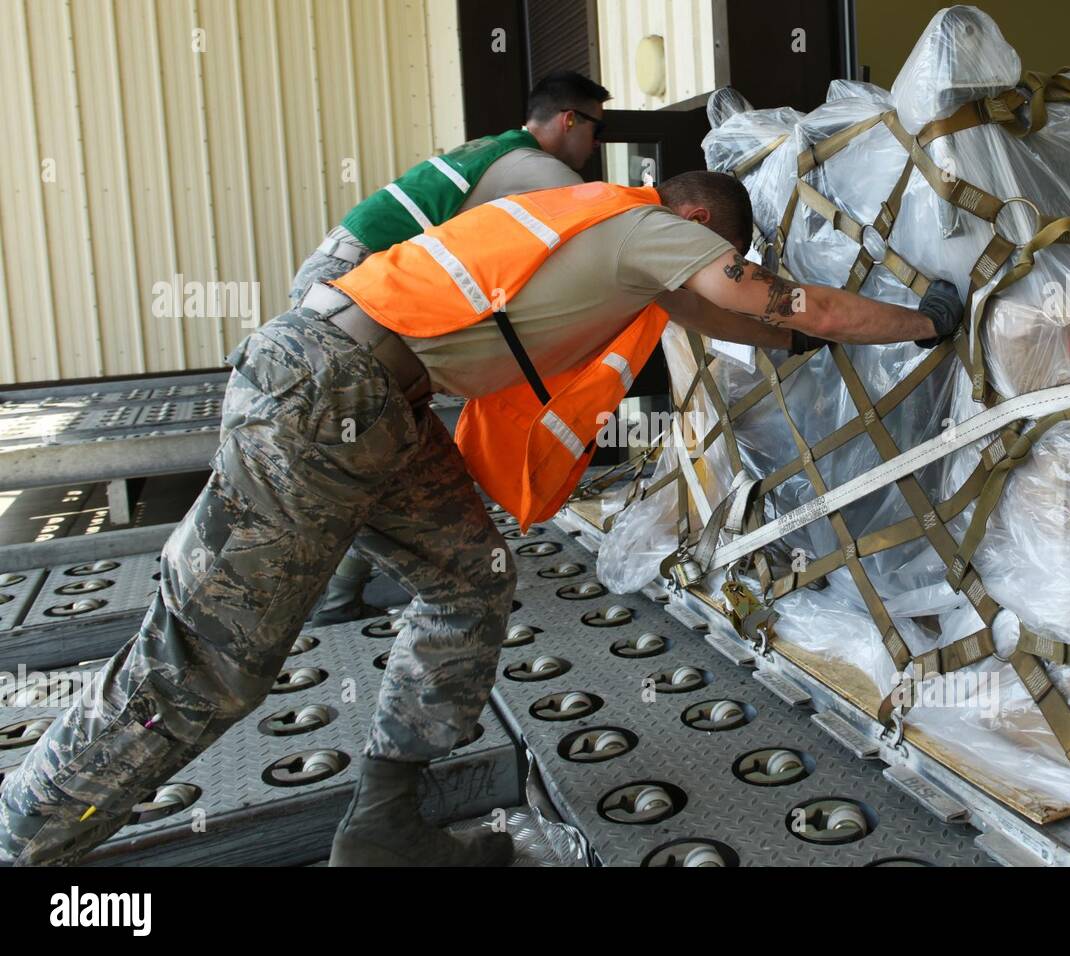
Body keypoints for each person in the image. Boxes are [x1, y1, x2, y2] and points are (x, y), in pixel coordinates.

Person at [0, 171, 962, 867]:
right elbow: (794, 304)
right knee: (209, 663)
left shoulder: (610, 239)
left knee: (470, 576)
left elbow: (748, 322)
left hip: (381, 406)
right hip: (323, 393)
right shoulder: (651, 230)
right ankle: (27, 837)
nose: (727, 264)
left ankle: (385, 822)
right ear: (702, 220)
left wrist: (782, 341)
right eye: (728, 250)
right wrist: (927, 322)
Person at [296, 70, 609, 626]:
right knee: (376, 455)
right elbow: (609, 224)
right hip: (352, 299)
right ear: (569, 121)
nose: (595, 147)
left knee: (384, 453)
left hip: (337, 290)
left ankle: (342, 595)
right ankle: (347, 593)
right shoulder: (536, 168)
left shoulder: (491, 153)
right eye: (595, 131)